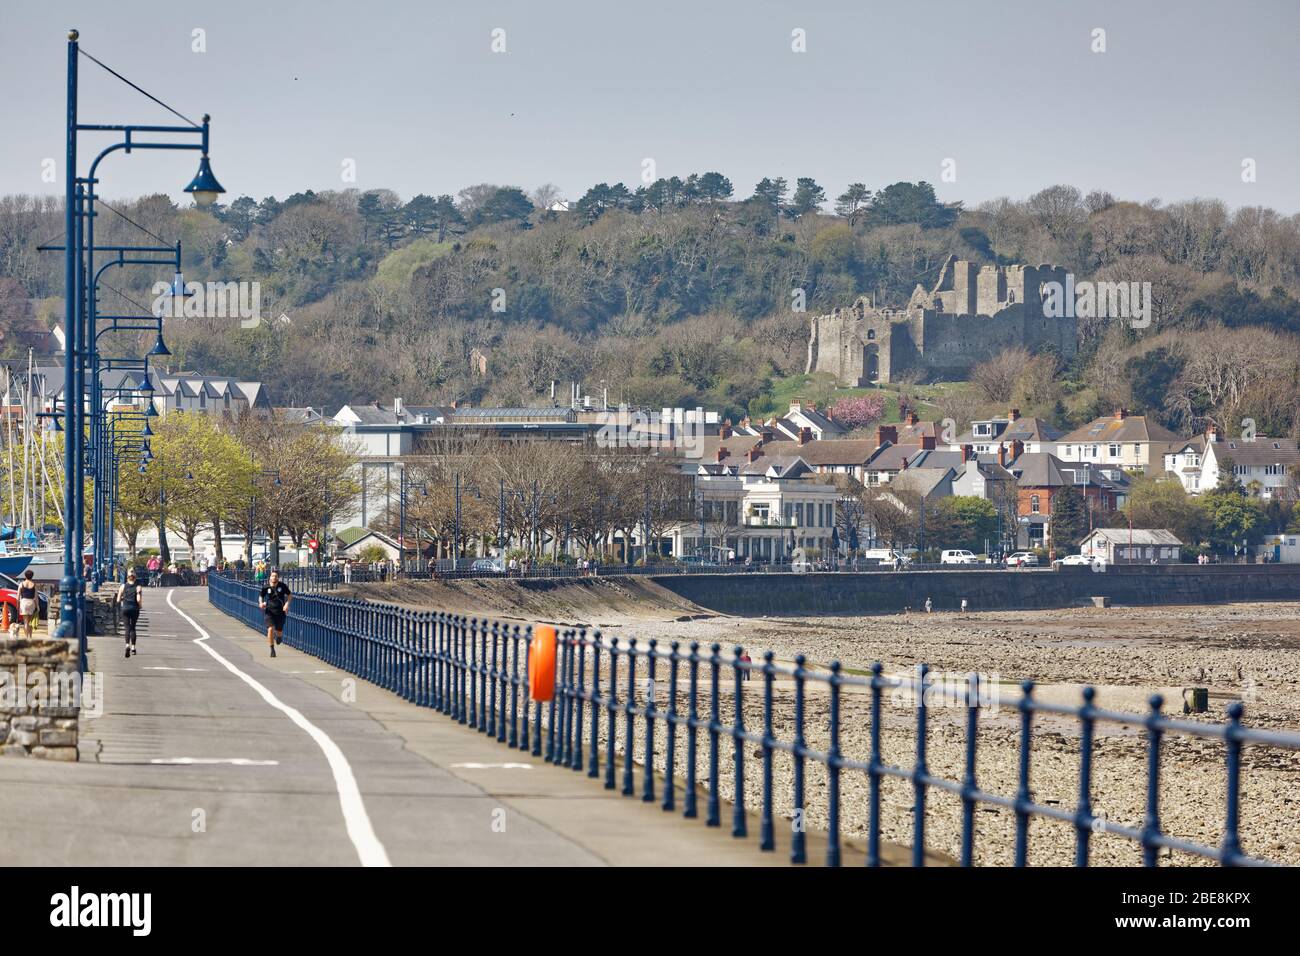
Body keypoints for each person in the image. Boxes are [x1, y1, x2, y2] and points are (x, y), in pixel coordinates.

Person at [258, 568, 292, 658]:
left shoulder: (283, 586)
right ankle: (272, 649)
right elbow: (261, 596)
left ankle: (279, 637)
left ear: (278, 578)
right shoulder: (266, 587)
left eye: (275, 576)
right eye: (272, 576)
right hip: (269, 611)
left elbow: (289, 595)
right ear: (270, 577)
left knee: (279, 631)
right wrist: (261, 603)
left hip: (280, 611)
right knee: (270, 629)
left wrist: (287, 605)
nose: (274, 578)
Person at [117, 570, 143, 658]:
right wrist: (140, 606)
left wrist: (124, 598)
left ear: (127, 577)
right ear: (135, 578)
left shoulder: (123, 586)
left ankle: (127, 645)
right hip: (134, 609)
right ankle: (133, 648)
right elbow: (138, 599)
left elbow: (118, 600)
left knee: (127, 628)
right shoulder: (138, 587)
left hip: (125, 609)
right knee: (133, 628)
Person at [17, 569, 39, 640]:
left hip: (24, 602)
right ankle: (30, 637)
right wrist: (37, 606)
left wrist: (18, 605)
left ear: (25, 576)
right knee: (30, 622)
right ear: (32, 576)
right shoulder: (34, 585)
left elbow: (18, 596)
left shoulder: (21, 584)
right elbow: (36, 597)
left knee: (25, 622)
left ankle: (26, 637)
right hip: (31, 603)